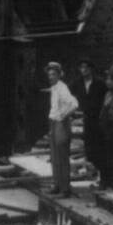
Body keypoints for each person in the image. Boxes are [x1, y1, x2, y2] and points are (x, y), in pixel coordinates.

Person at [45, 62, 79, 198]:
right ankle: (57, 185)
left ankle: (65, 189)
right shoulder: (54, 87)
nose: (51, 77)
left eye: (53, 74)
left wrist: (62, 116)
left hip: (60, 124)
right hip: (53, 122)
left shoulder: (62, 88)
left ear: (59, 75)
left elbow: (74, 104)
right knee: (54, 156)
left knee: (62, 156)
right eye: (49, 75)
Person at [75, 60, 106, 177]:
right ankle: (91, 170)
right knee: (88, 145)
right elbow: (67, 92)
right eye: (82, 67)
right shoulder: (78, 82)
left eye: (86, 67)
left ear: (91, 69)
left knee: (99, 144)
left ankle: (100, 170)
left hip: (99, 117)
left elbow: (106, 99)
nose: (84, 70)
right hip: (87, 117)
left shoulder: (99, 83)